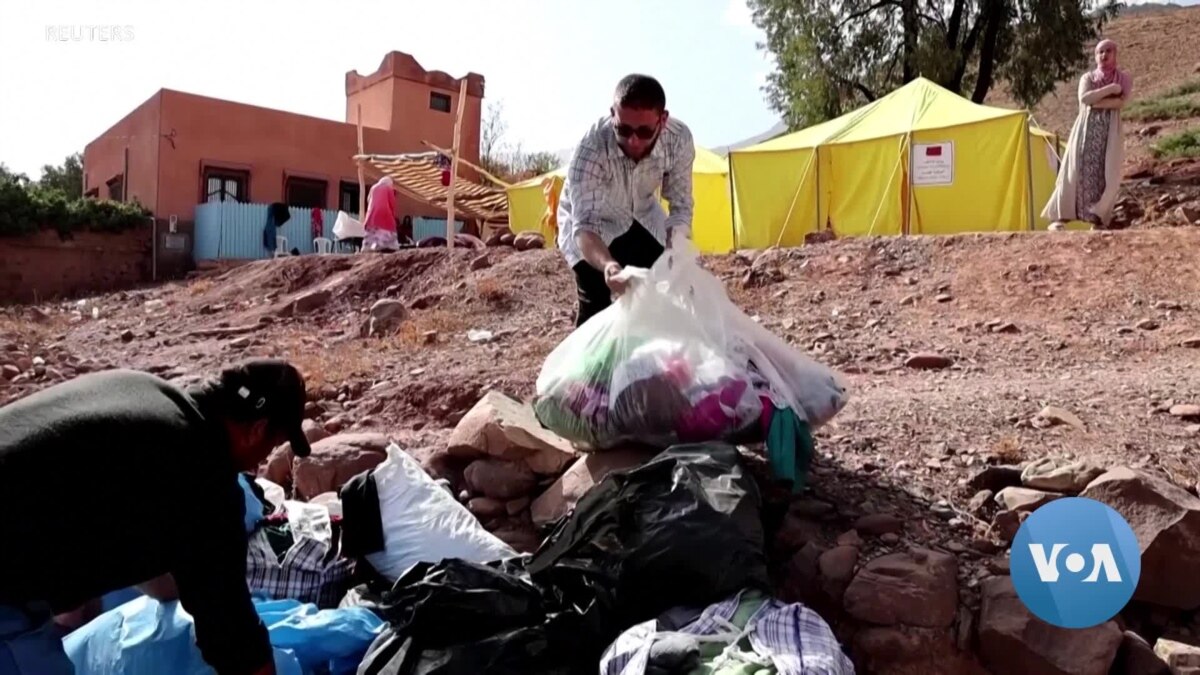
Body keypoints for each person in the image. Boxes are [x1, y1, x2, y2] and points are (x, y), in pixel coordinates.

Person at [0, 359, 315, 675]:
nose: (261, 462)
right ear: (257, 430)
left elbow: (116, 509)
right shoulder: (203, 477)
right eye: (273, 444)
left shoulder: (145, 392)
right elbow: (233, 636)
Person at [556, 73, 695, 327]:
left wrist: (676, 249)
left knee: (666, 295)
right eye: (623, 129)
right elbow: (584, 227)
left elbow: (680, 205)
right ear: (612, 114)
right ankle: (593, 366)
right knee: (596, 310)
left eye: (644, 131)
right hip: (590, 228)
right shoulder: (590, 148)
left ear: (662, 121)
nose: (633, 140)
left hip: (641, 216)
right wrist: (608, 266)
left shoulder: (679, 140)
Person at [1043, 39, 1132, 231]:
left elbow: (1121, 102)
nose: (1104, 55)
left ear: (1115, 54)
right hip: (1085, 130)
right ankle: (1060, 217)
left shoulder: (1124, 78)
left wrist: (1096, 101)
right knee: (1075, 170)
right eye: (1100, 51)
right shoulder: (1088, 78)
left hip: (1111, 132)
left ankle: (1098, 219)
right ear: (1095, 56)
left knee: (1107, 173)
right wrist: (1109, 90)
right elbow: (1084, 98)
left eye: (1108, 51)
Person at [363, 176, 399, 251]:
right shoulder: (388, 189)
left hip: (371, 213)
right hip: (384, 211)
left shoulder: (373, 187)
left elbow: (368, 199)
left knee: (372, 230)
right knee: (388, 228)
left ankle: (368, 247)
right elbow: (392, 203)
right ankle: (386, 245)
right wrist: (393, 215)